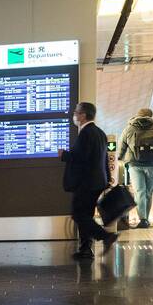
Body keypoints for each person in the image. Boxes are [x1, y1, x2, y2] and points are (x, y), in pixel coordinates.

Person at [59, 101, 119, 260]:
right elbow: (103, 159)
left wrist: (64, 155)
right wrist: (107, 178)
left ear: (83, 115)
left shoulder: (86, 133)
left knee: (78, 214)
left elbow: (81, 158)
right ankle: (86, 249)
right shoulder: (99, 132)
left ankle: (105, 236)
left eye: (76, 112)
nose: (75, 115)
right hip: (97, 181)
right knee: (86, 214)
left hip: (86, 182)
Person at [119, 107, 153, 228]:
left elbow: (122, 147)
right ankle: (146, 219)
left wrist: (119, 159)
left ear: (137, 115)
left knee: (139, 192)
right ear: (151, 117)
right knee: (148, 193)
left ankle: (143, 219)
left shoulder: (129, 128)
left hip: (134, 164)